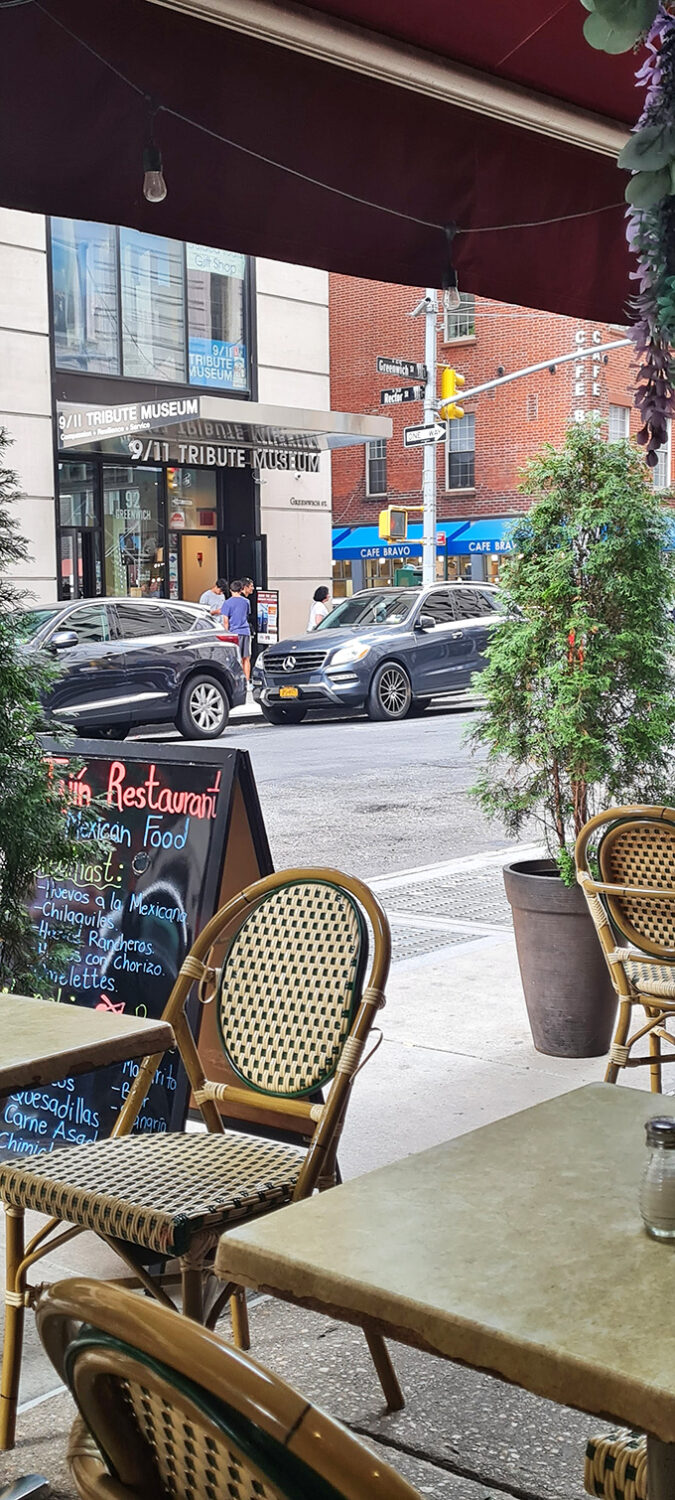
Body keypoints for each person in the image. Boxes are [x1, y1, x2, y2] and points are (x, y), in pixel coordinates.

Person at [222, 578, 252, 682]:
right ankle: (247, 681)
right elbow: (246, 615)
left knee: (233, 658)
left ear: (230, 590)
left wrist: (226, 634)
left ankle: (235, 681)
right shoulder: (246, 602)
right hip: (245, 631)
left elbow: (226, 621)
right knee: (246, 658)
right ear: (241, 590)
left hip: (233, 632)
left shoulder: (227, 603)